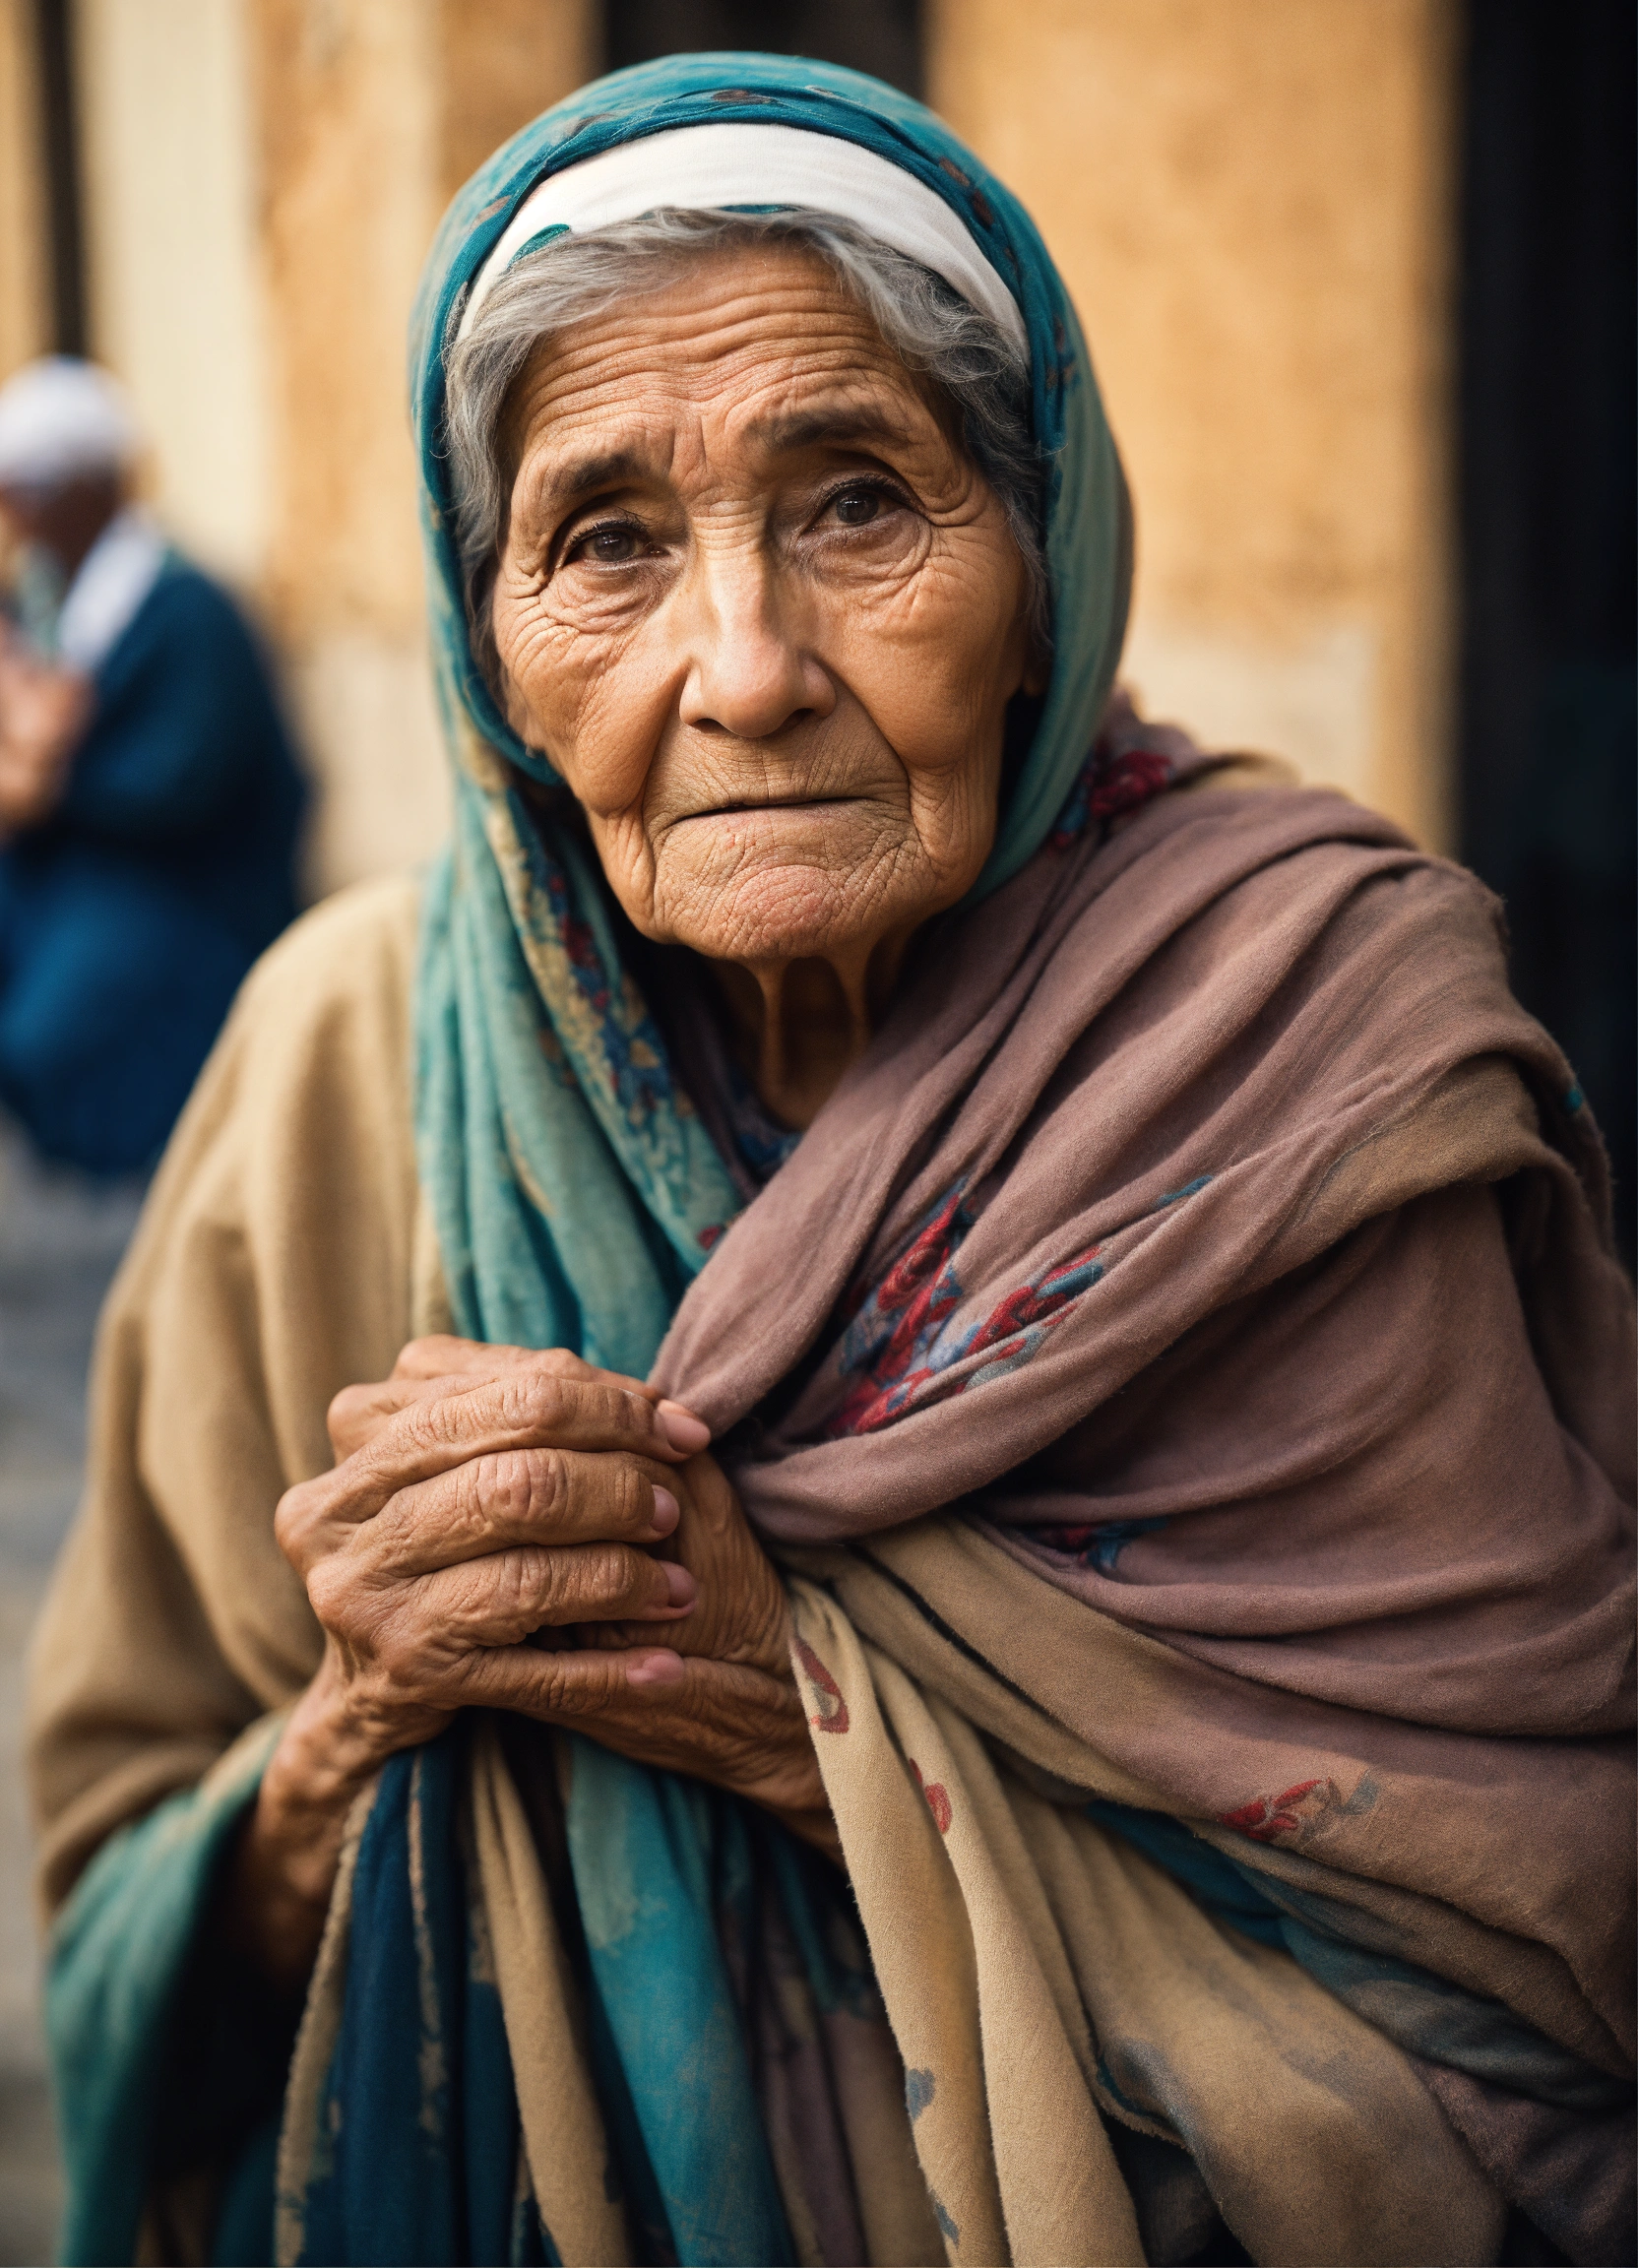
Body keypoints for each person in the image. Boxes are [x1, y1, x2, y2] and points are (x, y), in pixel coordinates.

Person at [27, 55, 1634, 2268]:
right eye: (602, 542)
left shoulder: (1304, 1059)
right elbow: (123, 1911)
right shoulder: (336, 1068)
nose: (748, 669)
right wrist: (359, 1729)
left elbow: (1531, 2015)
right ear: (490, 651)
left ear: (1042, 560)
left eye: (860, 501)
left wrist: (792, 1707)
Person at [0, 356, 303, 1174]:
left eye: (32, 490)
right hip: (75, 872)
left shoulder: (190, 612)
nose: (16, 516)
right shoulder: (40, 603)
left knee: (60, 1025)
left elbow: (183, 783)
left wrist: (47, 789)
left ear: (91, 490)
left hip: (183, 888)